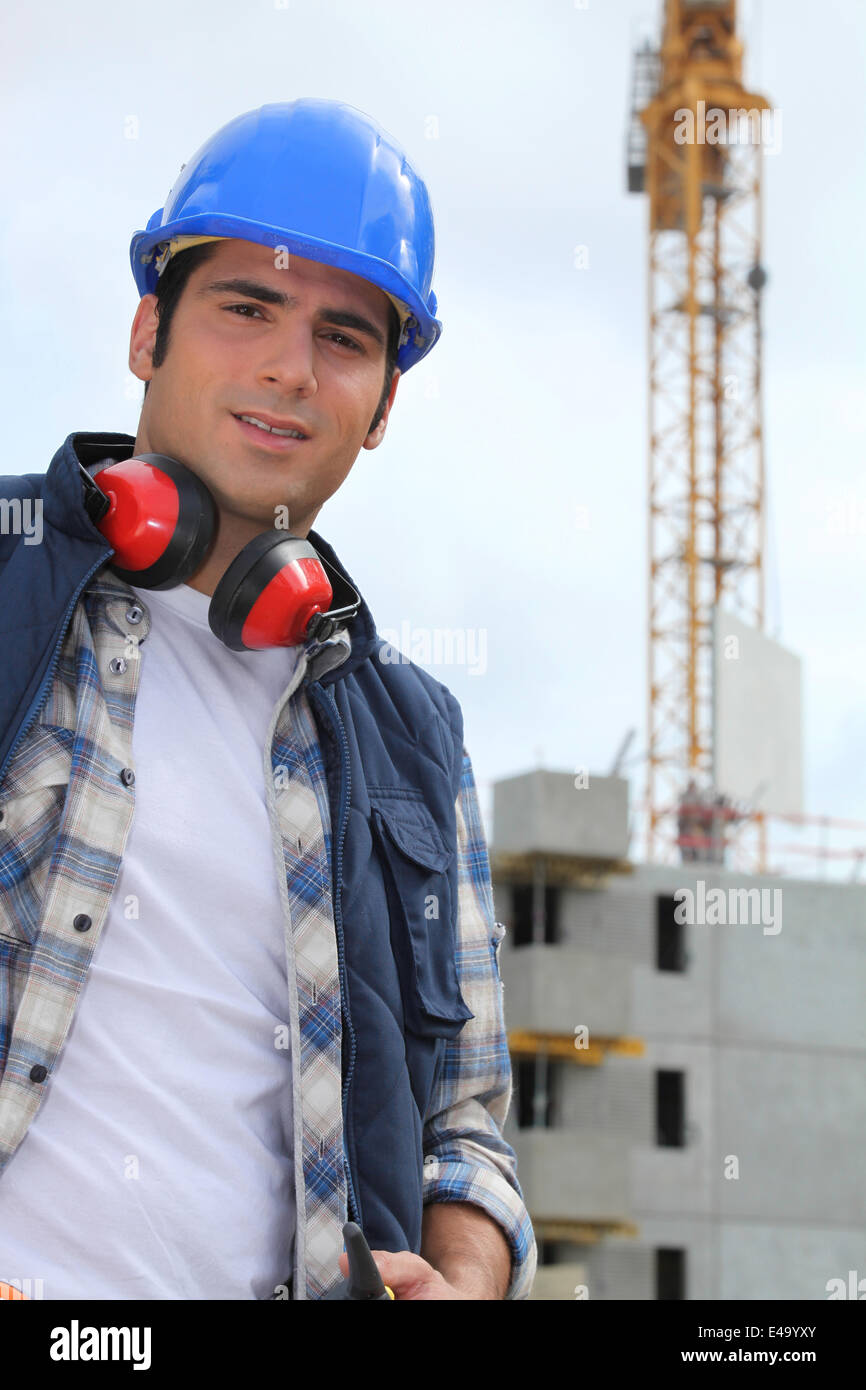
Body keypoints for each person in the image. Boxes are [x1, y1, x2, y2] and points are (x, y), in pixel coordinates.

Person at [0, 99, 536, 1301]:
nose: (290, 370)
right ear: (150, 330)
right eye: (246, 308)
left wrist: (462, 1273)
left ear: (382, 406)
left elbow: (469, 1128)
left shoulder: (412, 737)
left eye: (344, 339)